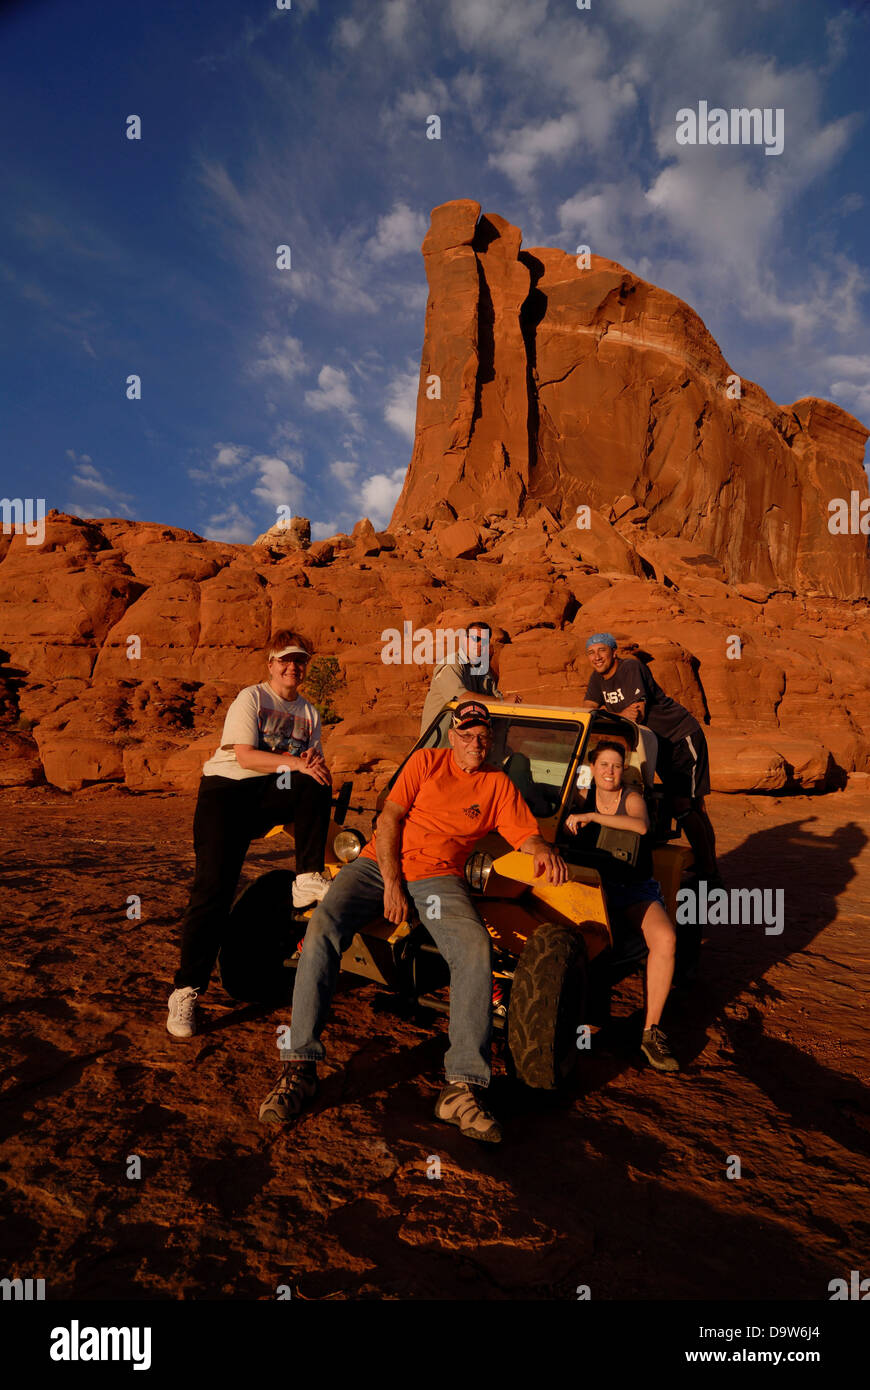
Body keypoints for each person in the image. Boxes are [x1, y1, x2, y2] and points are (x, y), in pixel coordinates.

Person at [259, 699, 568, 1143]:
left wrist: (541, 849)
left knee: (473, 948)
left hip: (438, 879)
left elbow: (527, 833)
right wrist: (391, 884)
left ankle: (461, 1087)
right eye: (466, 735)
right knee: (323, 926)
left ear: (491, 740)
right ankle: (299, 1068)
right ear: (454, 737)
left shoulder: (498, 785)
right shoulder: (426, 761)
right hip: (375, 866)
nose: (475, 744)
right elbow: (389, 818)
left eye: (483, 737)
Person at [166, 631, 333, 1040]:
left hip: (269, 791)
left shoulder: (310, 712)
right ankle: (186, 991)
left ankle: (308, 876)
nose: (292, 667)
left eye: (300, 661)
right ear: (271, 664)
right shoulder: (252, 699)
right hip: (228, 793)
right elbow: (244, 755)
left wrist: (308, 764)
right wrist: (296, 762)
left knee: (317, 778)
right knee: (213, 891)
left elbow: (308, 763)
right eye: (285, 660)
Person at [565, 740, 680, 1072]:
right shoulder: (581, 792)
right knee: (587, 945)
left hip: (633, 888)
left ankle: (651, 1032)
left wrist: (591, 816)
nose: (610, 771)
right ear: (593, 767)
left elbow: (640, 825)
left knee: (665, 939)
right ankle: (586, 1025)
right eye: (604, 765)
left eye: (616, 765)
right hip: (592, 887)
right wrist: (580, 805)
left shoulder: (630, 797)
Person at [581, 632, 721, 887]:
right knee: (690, 805)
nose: (596, 657)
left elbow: (638, 712)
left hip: (680, 737)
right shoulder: (597, 679)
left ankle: (709, 872)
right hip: (655, 744)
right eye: (591, 652)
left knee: (684, 805)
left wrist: (613, 714)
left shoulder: (631, 667)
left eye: (601, 650)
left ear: (614, 652)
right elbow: (586, 710)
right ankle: (708, 864)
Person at [419, 620, 519, 735]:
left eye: (485, 641)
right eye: (476, 639)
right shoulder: (452, 664)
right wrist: (502, 701)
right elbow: (462, 698)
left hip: (464, 740)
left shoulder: (482, 670)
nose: (480, 644)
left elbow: (495, 699)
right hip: (437, 742)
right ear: (464, 640)